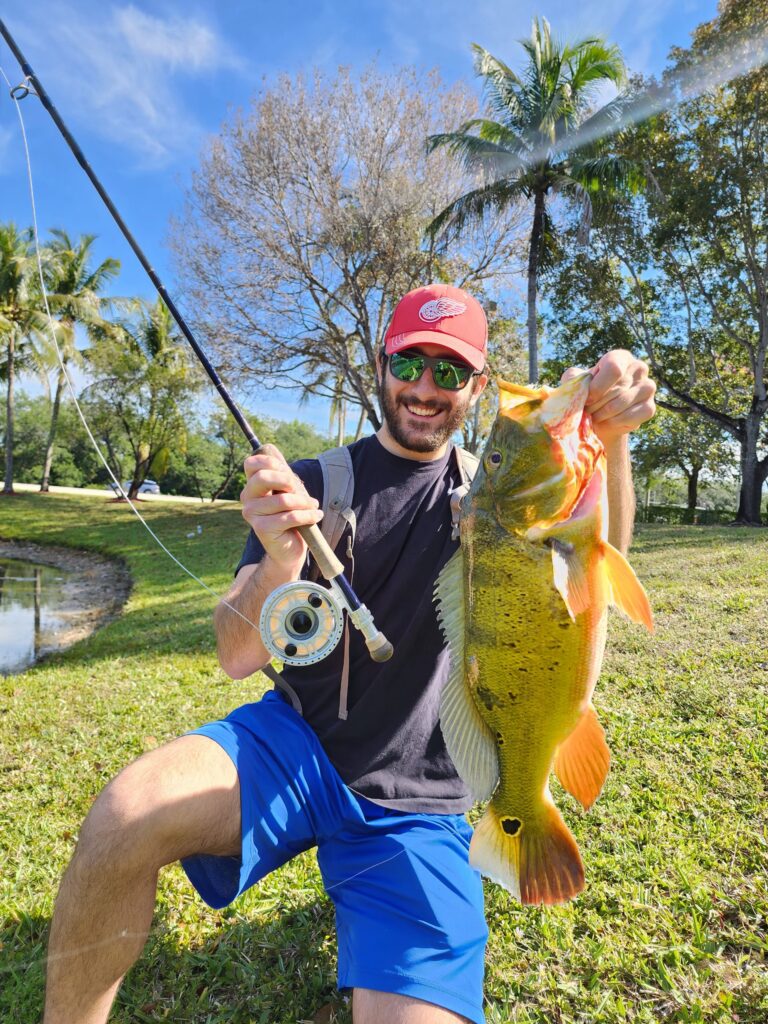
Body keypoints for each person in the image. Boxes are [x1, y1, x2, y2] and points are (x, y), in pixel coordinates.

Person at [43, 284, 656, 1024]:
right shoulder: (312, 484)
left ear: (477, 386)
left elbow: (595, 568)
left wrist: (610, 433)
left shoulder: (486, 497)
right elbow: (235, 655)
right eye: (409, 363)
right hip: (297, 745)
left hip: (422, 799)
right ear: (381, 364)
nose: (425, 387)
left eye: (450, 371)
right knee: (122, 816)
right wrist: (279, 557)